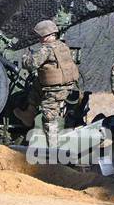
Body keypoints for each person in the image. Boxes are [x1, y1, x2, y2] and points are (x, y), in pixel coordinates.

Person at [22, 18, 80, 151]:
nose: (39, 40)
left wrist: (25, 58)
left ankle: (55, 151)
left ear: (45, 35)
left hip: (55, 91)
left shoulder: (46, 49)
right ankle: (29, 113)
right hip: (66, 87)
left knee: (49, 119)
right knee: (36, 86)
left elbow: (31, 65)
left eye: (40, 37)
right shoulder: (63, 46)